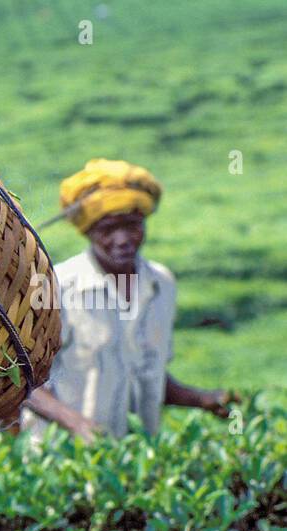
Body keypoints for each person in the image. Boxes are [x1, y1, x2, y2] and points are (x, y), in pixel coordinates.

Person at [22, 159, 239, 443]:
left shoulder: (161, 283)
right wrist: (77, 424)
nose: (122, 239)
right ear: (87, 230)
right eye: (108, 228)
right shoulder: (56, 285)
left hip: (133, 457)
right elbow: (22, 380)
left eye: (132, 225)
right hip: (61, 459)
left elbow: (145, 370)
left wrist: (202, 399)